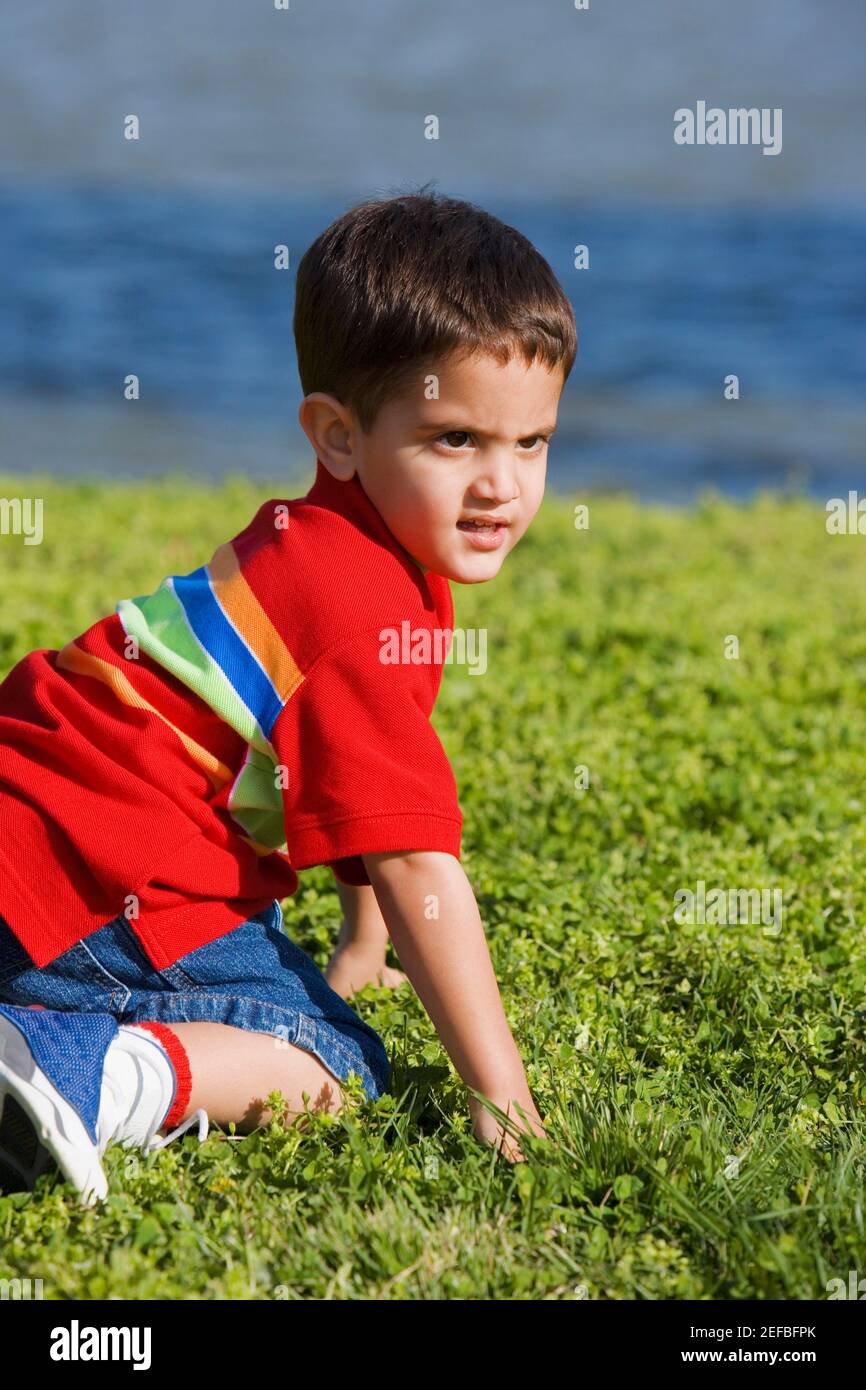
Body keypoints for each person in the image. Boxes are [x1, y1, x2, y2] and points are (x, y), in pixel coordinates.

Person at [0, 188, 577, 1206]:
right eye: (455, 440)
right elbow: (410, 854)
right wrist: (503, 1099)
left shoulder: (320, 541)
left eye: (528, 443)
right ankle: (77, 1073)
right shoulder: (360, 605)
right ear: (338, 434)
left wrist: (361, 941)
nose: (501, 485)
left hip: (34, 813)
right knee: (332, 1059)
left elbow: (342, 781)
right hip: (96, 878)